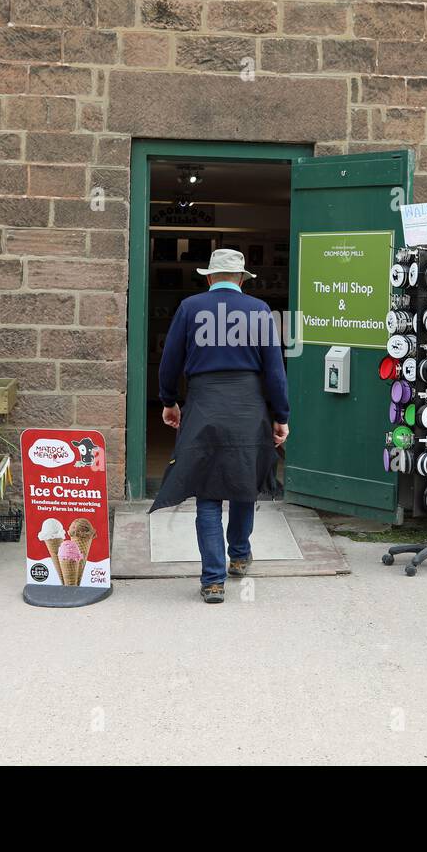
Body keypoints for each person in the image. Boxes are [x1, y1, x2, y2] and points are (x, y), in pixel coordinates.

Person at [149, 248, 289, 604]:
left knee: (207, 492)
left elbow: (170, 361)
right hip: (248, 408)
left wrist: (168, 401)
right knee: (243, 484)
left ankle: (213, 581)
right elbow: (275, 370)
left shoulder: (190, 308)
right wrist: (281, 415)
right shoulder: (258, 311)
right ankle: (239, 557)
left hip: (204, 406)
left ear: (209, 277)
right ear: (242, 279)